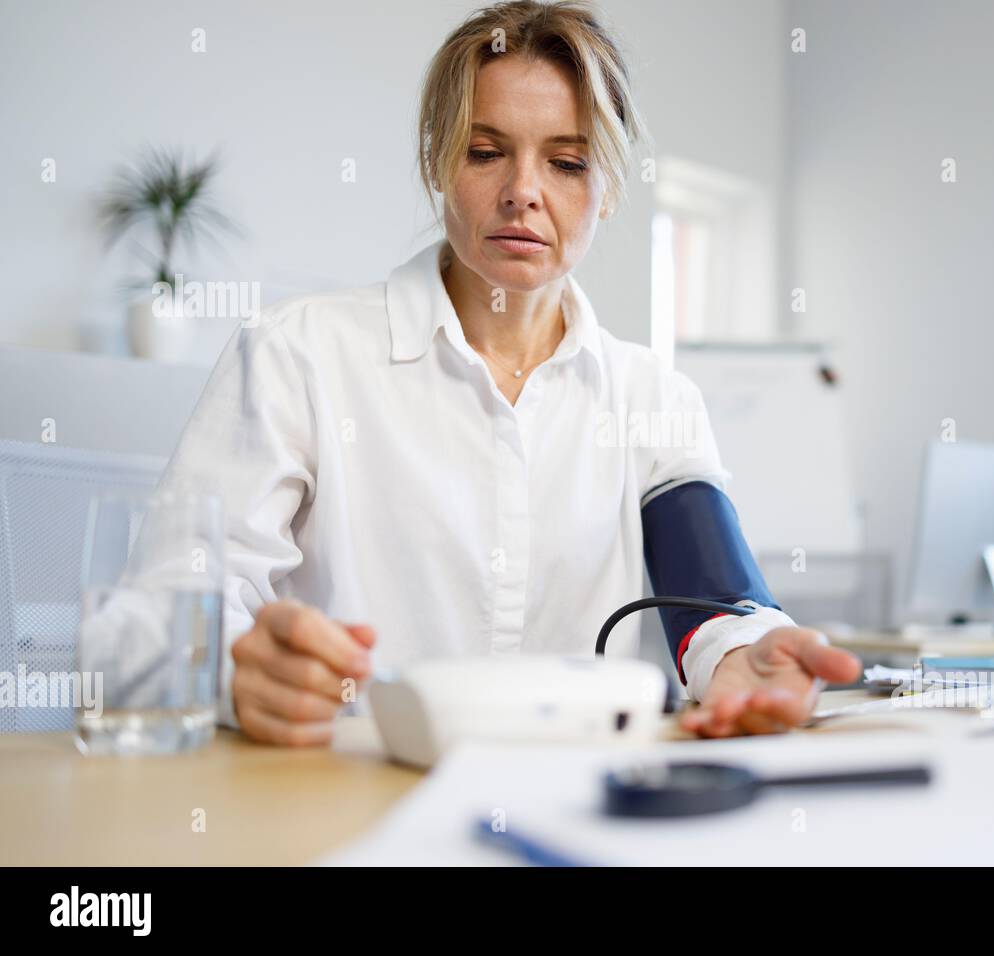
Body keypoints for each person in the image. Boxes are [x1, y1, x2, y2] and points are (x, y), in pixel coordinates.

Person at [157, 0, 861, 747]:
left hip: (571, 810)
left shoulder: (653, 399)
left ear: (610, 187)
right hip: (344, 805)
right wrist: (232, 668)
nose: (524, 190)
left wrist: (746, 660)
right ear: (436, 159)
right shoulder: (295, 354)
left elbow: (717, 608)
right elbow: (170, 602)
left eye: (566, 162)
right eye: (485, 151)